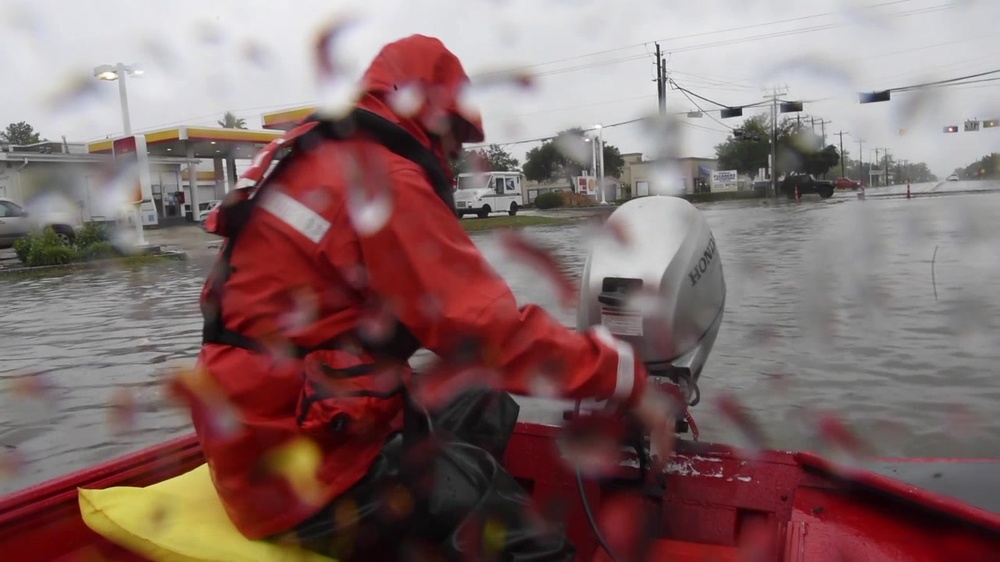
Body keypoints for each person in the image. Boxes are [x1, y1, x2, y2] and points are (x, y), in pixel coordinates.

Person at [174, 34, 674, 561]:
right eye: (454, 136)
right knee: (516, 529)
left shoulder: (326, 156)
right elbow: (489, 333)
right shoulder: (384, 178)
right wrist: (628, 379)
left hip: (260, 438)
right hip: (298, 476)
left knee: (482, 400)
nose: (454, 158)